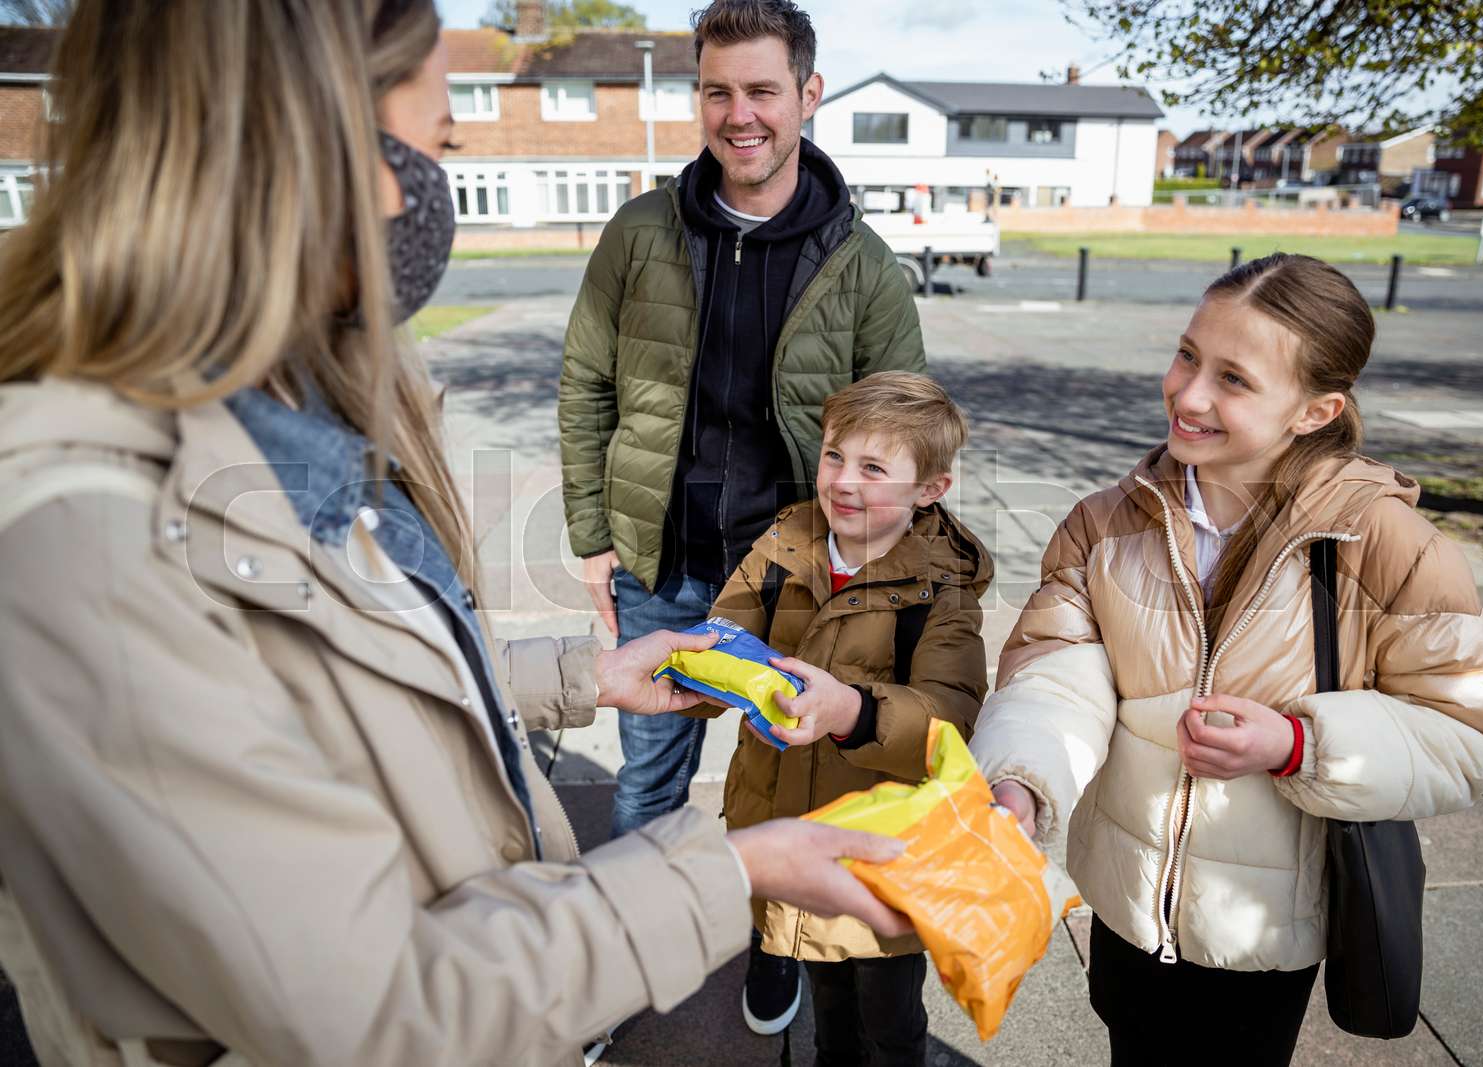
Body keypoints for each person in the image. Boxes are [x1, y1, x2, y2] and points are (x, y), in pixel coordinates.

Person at [0, 4, 912, 1066]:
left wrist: (580, 675)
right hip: (469, 979)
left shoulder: (309, 392)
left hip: (765, 603)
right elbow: (372, 1008)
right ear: (306, 144)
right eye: (436, 143)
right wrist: (730, 874)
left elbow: (337, 686)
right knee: (651, 789)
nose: (439, 186)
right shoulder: (82, 542)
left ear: (806, 95)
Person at [970, 253, 1483, 1065]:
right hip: (1127, 901)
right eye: (1187, 355)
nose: (1189, 393)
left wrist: (1297, 743)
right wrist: (1021, 779)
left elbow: (1478, 728)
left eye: (1233, 379)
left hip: (1262, 932)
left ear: (1316, 410)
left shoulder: (1383, 544)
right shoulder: (1106, 521)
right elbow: (1057, 666)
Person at [557, 0, 924, 1032]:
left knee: (789, 778)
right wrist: (592, 534)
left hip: (796, 584)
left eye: (762, 90)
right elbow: (586, 382)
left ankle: (775, 939)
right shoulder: (640, 232)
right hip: (663, 562)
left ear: (808, 95)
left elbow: (903, 429)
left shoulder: (862, 263)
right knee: (648, 779)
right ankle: (621, 963)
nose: (739, 114)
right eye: (717, 91)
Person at [684, 372, 990, 1059]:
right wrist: (690, 670)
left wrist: (850, 709)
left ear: (929, 489)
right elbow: (724, 633)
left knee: (889, 1015)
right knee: (827, 1003)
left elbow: (949, 718)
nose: (843, 481)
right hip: (787, 817)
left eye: (873, 468)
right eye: (834, 456)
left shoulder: (942, 590)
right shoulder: (785, 542)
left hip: (882, 846)